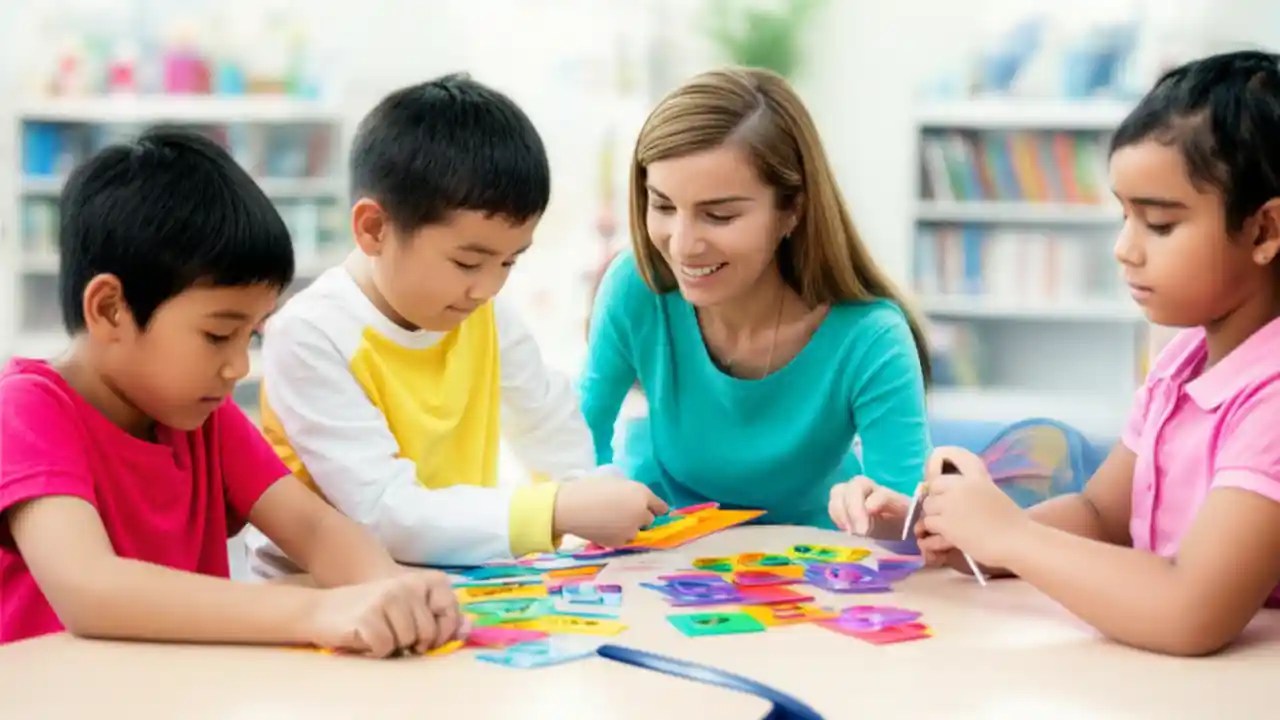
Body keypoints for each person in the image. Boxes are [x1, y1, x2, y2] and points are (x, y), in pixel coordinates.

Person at [863, 50, 1280, 656]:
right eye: (1124, 216)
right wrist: (977, 535)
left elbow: (1192, 612)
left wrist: (1012, 539)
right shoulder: (1183, 361)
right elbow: (1100, 515)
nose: (1124, 249)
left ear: (1265, 231)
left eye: (1159, 225)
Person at [0, 129, 462, 657]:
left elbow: (314, 529)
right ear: (110, 309)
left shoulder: (202, 419)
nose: (238, 366)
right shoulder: (27, 411)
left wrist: (389, 590)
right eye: (218, 335)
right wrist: (319, 612)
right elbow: (89, 589)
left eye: (252, 335)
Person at [246, 74, 666, 576]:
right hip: (322, 595)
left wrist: (596, 493)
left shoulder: (483, 314)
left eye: (509, 263)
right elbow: (381, 511)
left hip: (452, 582)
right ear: (374, 229)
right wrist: (557, 509)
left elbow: (549, 426)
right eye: (469, 263)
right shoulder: (310, 335)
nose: (488, 287)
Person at [580, 67, 932, 529]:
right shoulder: (637, 286)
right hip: (656, 548)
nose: (682, 245)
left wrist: (884, 517)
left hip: (814, 567)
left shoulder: (872, 338)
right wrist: (585, 504)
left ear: (792, 210)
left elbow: (911, 527)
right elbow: (575, 441)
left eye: (719, 215)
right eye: (663, 206)